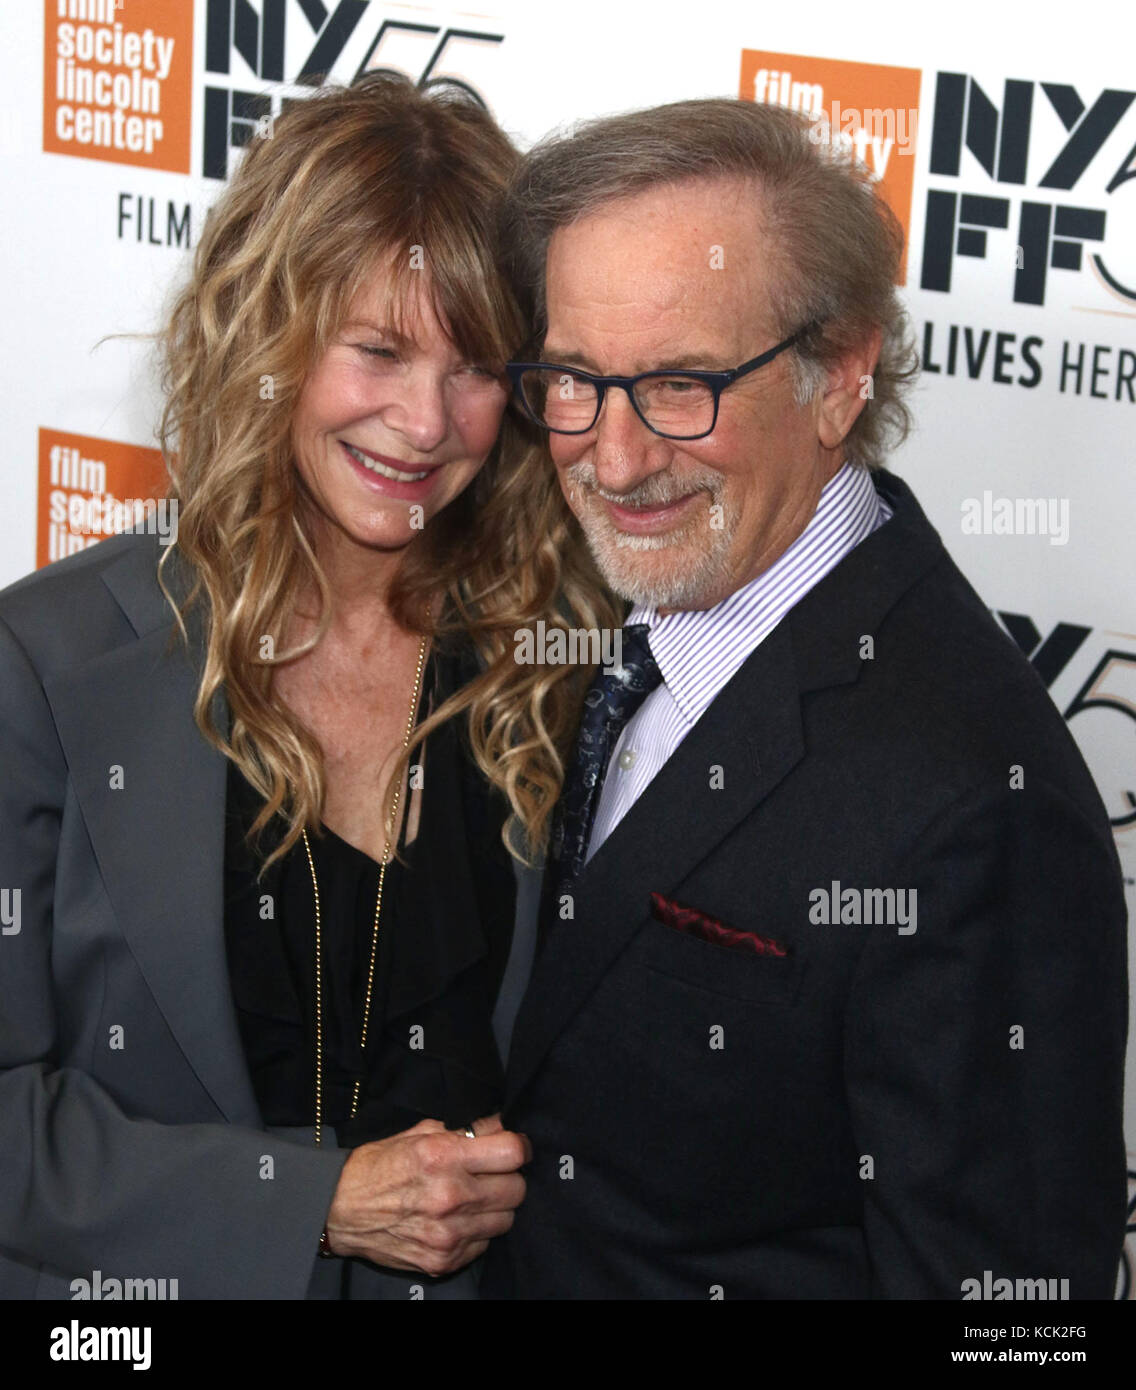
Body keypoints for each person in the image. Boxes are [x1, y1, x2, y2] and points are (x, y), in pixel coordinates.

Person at [484, 98, 1129, 1299]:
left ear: (837, 376)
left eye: (682, 386)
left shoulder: (971, 807)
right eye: (574, 380)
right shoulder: (610, 616)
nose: (614, 460)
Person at [0, 75, 617, 1300]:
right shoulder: (51, 662)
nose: (425, 421)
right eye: (378, 350)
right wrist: (314, 1204)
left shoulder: (560, 663)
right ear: (265, 337)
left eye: (476, 365)